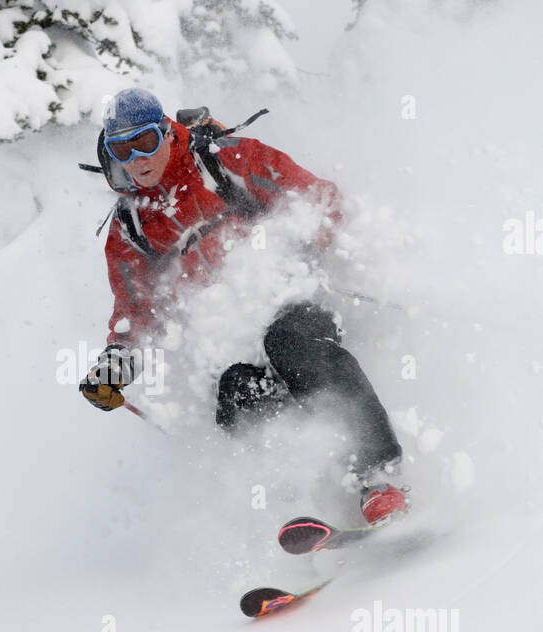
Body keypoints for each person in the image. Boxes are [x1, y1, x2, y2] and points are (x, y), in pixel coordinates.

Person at [79, 88, 408, 525]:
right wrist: (117, 360)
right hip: (230, 336)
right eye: (124, 148)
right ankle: (301, 507)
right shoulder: (131, 226)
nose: (138, 158)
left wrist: (312, 241)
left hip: (289, 296)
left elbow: (314, 196)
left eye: (146, 142)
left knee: (290, 344)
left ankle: (377, 477)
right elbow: (133, 311)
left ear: (167, 133)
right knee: (237, 393)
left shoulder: (223, 161)